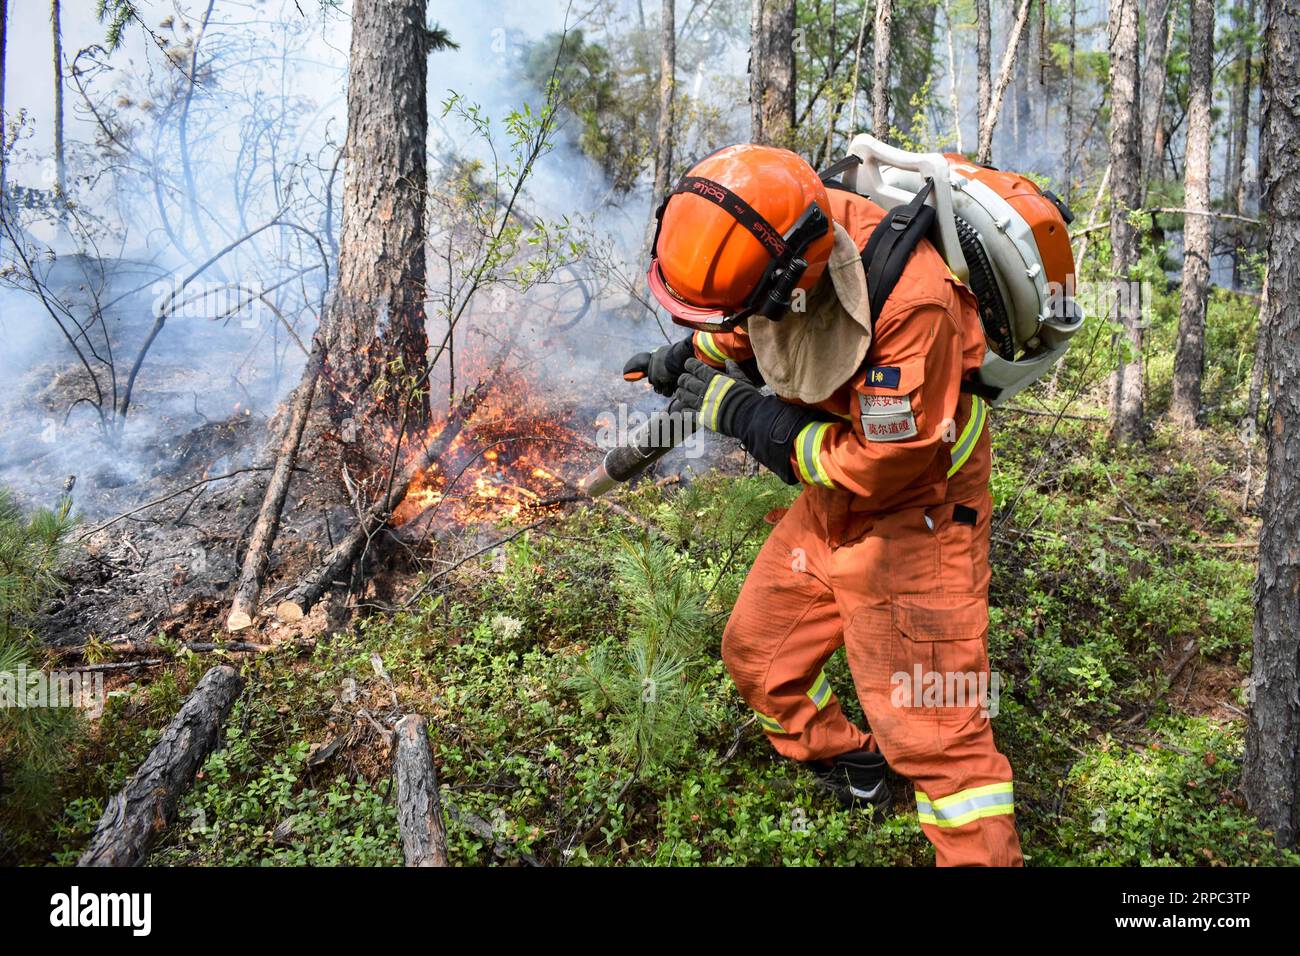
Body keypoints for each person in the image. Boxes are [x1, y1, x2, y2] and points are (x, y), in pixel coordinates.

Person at [624, 143, 1021, 867]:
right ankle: (854, 765)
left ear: (788, 276)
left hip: (918, 513)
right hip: (832, 502)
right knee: (759, 655)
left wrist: (748, 418)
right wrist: (690, 357)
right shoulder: (784, 241)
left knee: (938, 743)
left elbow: (886, 466)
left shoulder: (913, 306)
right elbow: (751, 322)